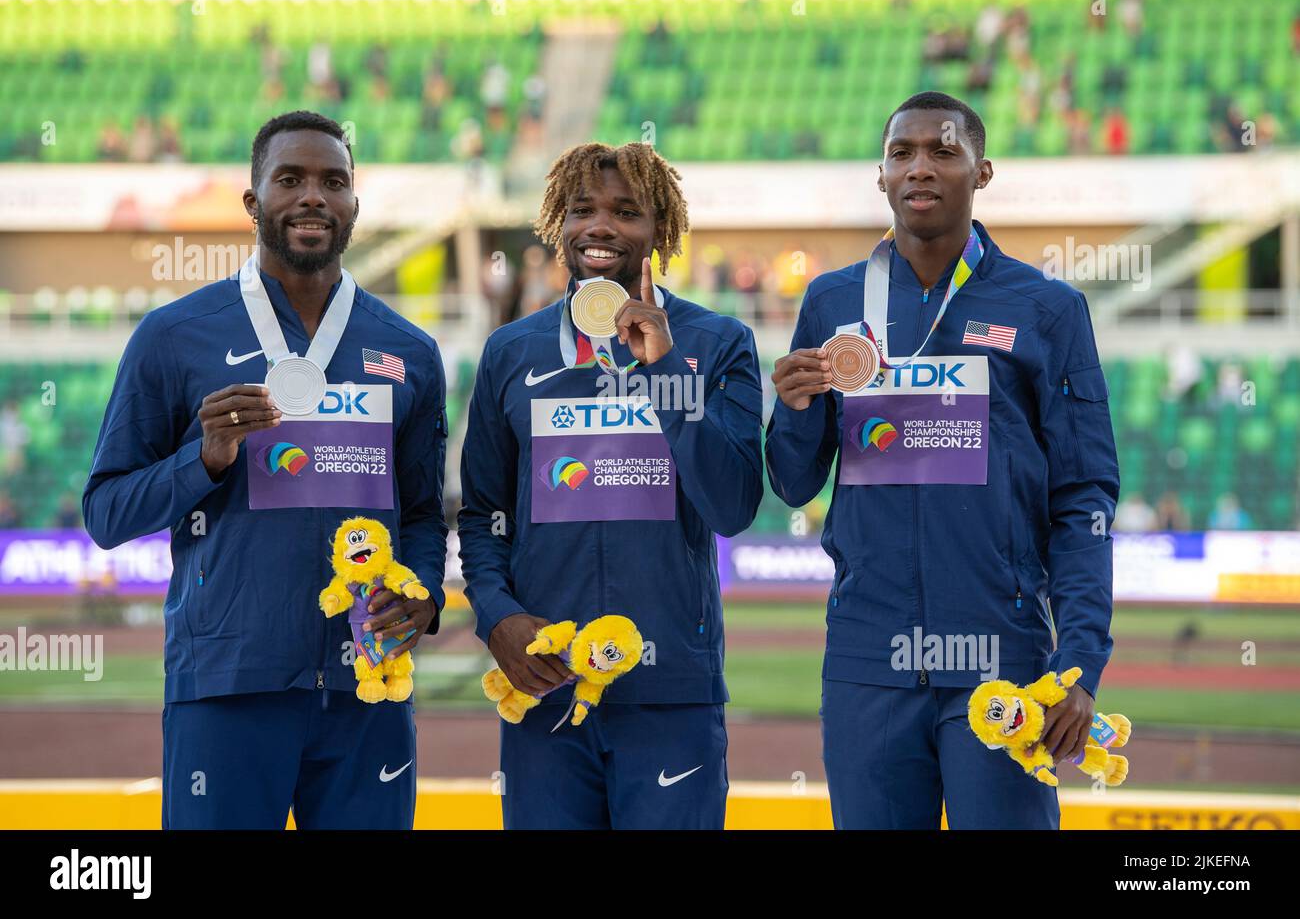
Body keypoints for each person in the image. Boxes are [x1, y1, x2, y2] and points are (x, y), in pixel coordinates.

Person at [83, 111, 449, 829]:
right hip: (225, 686)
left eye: (333, 182)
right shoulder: (174, 337)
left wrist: (428, 594)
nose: (313, 196)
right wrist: (204, 459)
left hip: (367, 690)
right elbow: (105, 512)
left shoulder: (408, 350)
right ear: (253, 202)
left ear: (353, 205)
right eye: (290, 179)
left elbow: (421, 514)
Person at [766, 91, 1120, 829]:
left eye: (943, 151)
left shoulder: (1047, 308)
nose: (920, 167)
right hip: (870, 659)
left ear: (981, 171)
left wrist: (1079, 660)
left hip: (1002, 654)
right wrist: (794, 410)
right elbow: (794, 481)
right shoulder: (834, 302)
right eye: (902, 153)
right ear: (881, 175)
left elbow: (1084, 498)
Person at [458, 142, 763, 828]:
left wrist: (665, 373)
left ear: (660, 230)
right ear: (557, 224)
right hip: (546, 684)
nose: (600, 227)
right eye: (582, 210)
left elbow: (735, 505)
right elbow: (482, 515)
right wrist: (497, 616)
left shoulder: (717, 344)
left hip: (670, 691)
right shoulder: (512, 352)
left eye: (627, 212)